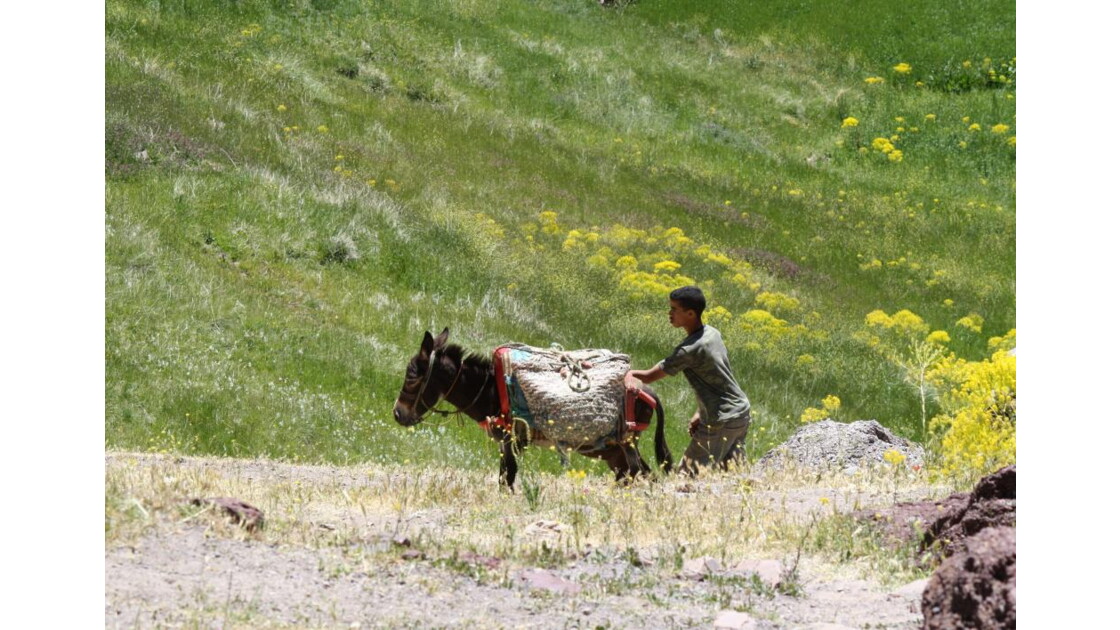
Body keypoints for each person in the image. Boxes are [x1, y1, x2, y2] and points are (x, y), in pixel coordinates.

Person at [624, 286, 752, 475]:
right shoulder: (712, 334)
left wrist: (627, 374)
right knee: (733, 474)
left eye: (674, 309)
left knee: (687, 477)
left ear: (690, 313)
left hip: (721, 419)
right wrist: (700, 412)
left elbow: (649, 376)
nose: (670, 314)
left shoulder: (688, 350)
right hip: (740, 412)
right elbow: (717, 379)